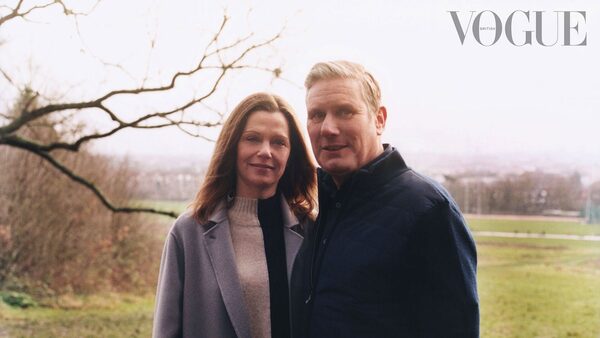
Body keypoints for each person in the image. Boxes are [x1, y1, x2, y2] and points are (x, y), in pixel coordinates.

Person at [291, 61, 479, 337]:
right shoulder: (324, 206)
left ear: (379, 119)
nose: (328, 128)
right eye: (316, 115)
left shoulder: (429, 210)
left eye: (344, 112)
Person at [153, 92, 317, 338]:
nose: (265, 151)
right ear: (232, 145)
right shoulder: (189, 232)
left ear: (290, 154)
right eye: (252, 139)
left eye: (278, 142)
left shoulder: (313, 230)